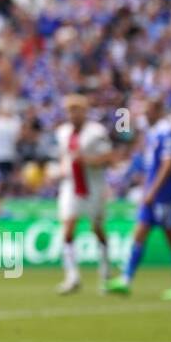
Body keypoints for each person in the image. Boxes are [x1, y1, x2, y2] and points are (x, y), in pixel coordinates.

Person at [108, 95, 171, 300]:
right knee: (140, 232)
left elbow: (168, 163)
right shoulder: (154, 133)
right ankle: (126, 279)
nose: (145, 114)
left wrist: (153, 191)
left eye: (149, 111)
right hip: (152, 193)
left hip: (164, 195)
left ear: (158, 111)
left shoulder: (166, 133)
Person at [52, 94, 116, 295]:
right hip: (71, 186)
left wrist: (87, 161)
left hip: (93, 185)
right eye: (70, 110)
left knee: (97, 228)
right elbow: (64, 157)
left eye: (76, 110)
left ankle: (105, 273)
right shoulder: (62, 133)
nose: (72, 114)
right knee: (68, 229)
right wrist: (60, 170)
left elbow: (108, 157)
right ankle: (72, 277)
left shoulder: (96, 132)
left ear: (84, 111)